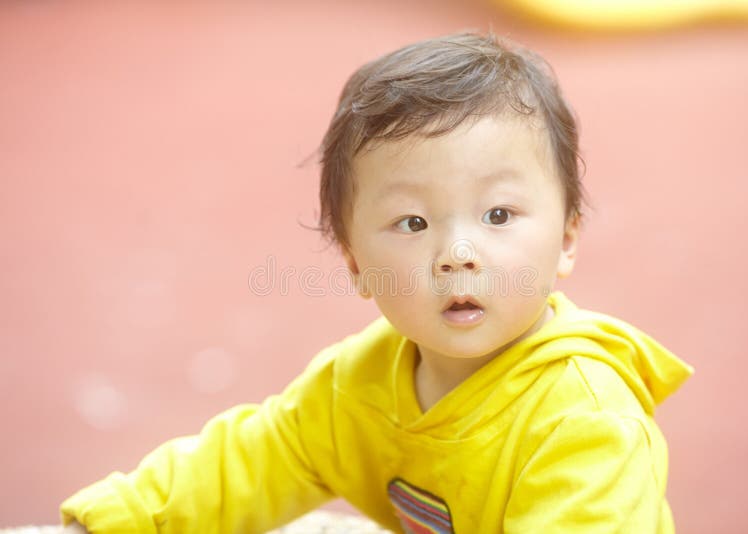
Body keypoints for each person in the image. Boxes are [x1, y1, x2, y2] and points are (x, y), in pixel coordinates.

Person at [58, 31, 693, 533]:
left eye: (498, 215)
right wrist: (121, 520)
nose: (457, 253)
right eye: (412, 222)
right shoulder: (359, 385)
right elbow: (254, 459)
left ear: (568, 238)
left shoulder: (585, 423)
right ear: (357, 264)